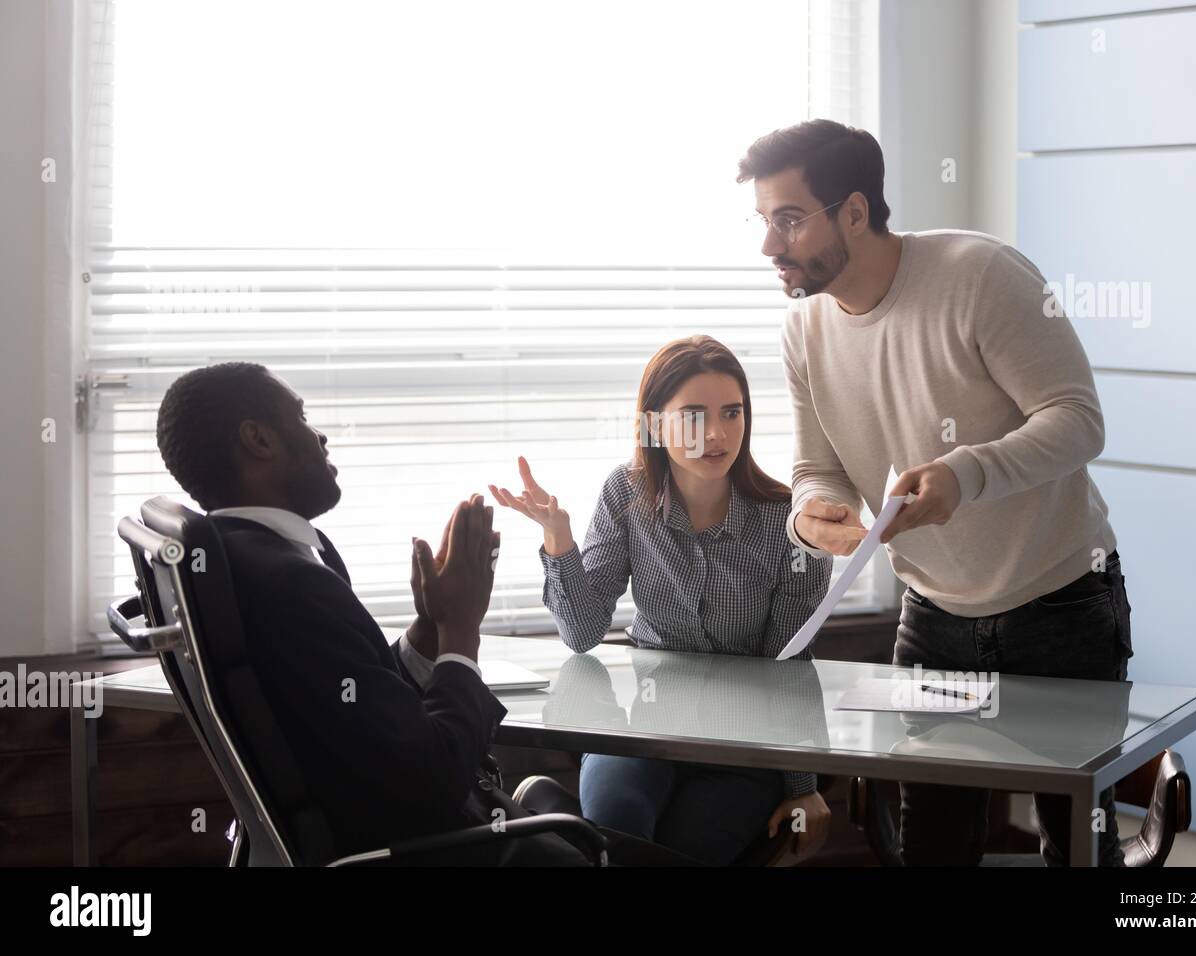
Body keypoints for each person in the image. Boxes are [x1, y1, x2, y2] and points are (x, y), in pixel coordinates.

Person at [737, 119, 1134, 866]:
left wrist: (964, 474)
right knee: (934, 846)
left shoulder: (980, 276)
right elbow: (814, 468)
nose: (768, 246)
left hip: (1060, 602)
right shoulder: (804, 331)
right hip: (934, 618)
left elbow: (1079, 420)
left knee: (1077, 841)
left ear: (854, 211)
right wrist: (809, 515)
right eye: (762, 221)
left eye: (788, 219)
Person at [154, 361, 692, 866]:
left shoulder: (246, 558)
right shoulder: (289, 583)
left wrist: (429, 629)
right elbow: (433, 782)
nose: (318, 435)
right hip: (440, 847)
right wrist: (462, 627)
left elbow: (361, 702)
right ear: (258, 439)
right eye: (299, 416)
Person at [489, 335, 834, 865]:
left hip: (740, 751)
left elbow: (787, 667)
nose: (718, 434)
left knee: (665, 854)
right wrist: (558, 537)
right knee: (617, 823)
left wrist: (801, 786)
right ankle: (573, 829)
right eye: (694, 416)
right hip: (645, 733)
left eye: (732, 413)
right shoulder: (625, 493)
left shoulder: (790, 521)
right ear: (654, 423)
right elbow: (582, 633)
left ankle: (551, 815)